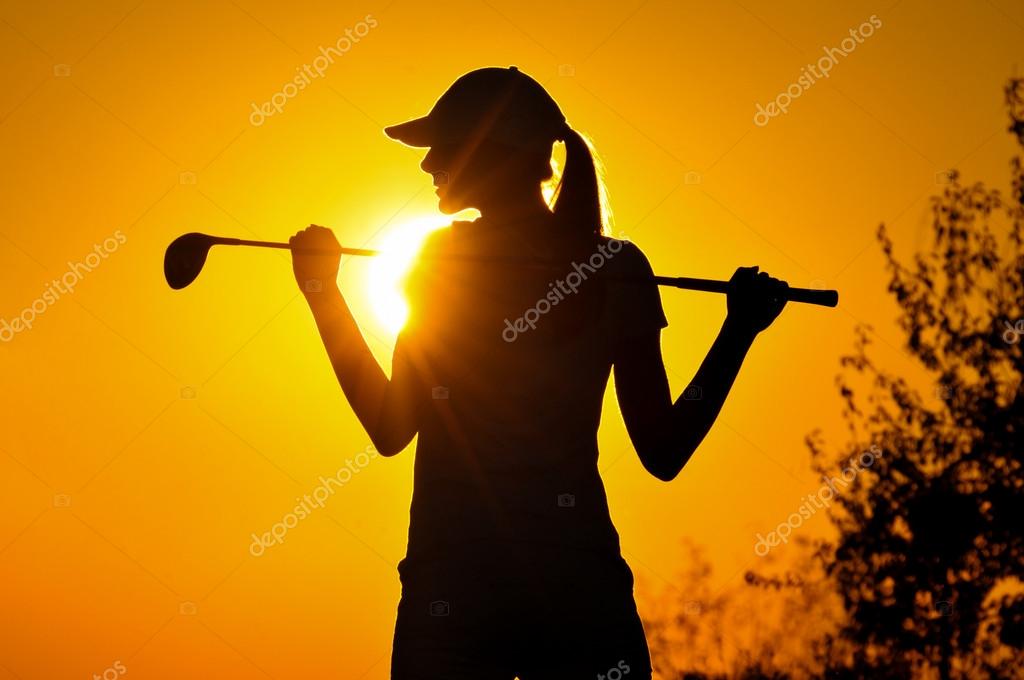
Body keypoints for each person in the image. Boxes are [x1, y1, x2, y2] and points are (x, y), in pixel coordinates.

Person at [289, 66, 788, 680]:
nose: (426, 167)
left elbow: (392, 427)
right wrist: (737, 330)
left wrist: (323, 295)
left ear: (492, 155)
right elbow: (663, 448)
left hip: (455, 595)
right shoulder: (615, 268)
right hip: (579, 592)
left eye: (443, 148)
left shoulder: (444, 261)